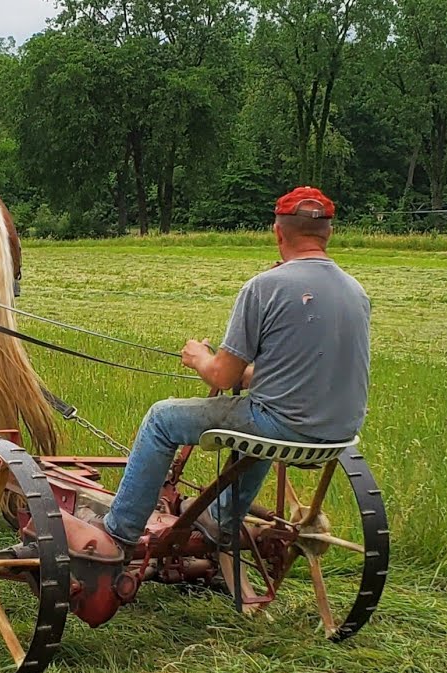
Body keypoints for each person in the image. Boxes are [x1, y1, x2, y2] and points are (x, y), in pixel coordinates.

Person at [98, 187, 371, 550]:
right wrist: (247, 375)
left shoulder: (264, 287)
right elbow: (296, 372)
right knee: (257, 421)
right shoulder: (357, 291)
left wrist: (198, 356)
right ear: (329, 234)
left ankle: (119, 531)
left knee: (161, 419)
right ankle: (223, 520)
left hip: (281, 426)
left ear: (277, 232)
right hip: (340, 432)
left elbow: (221, 377)